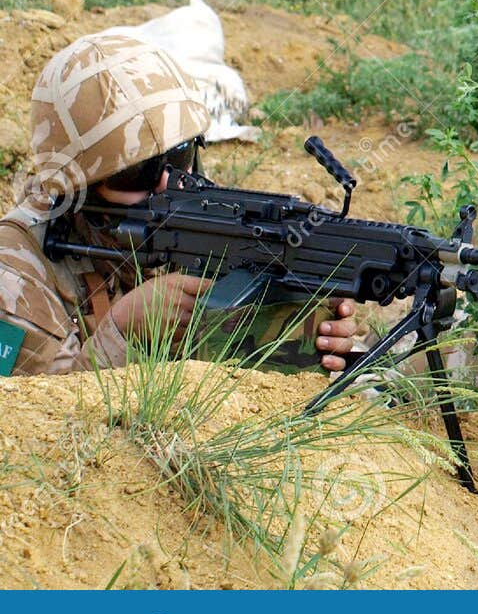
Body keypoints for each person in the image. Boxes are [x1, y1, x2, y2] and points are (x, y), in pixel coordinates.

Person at [0, 31, 360, 377]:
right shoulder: (14, 273)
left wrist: (297, 327)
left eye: (179, 156)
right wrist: (123, 328)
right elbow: (39, 422)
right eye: (136, 172)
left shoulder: (191, 225)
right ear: (78, 188)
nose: (165, 182)